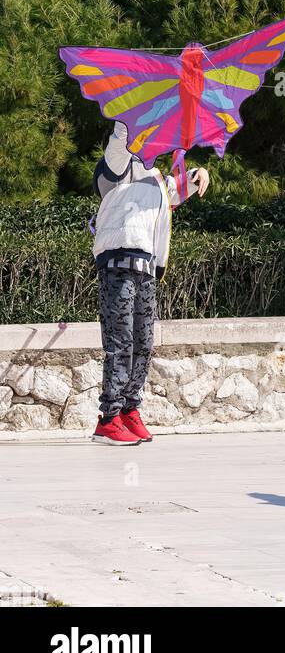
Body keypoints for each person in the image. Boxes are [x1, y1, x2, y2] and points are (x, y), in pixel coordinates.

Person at [90, 121, 209, 444]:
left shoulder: (157, 179)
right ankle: (109, 418)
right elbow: (122, 133)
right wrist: (139, 104)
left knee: (143, 342)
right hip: (118, 261)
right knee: (121, 340)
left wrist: (198, 173)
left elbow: (179, 190)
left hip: (147, 267)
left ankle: (130, 409)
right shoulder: (120, 163)